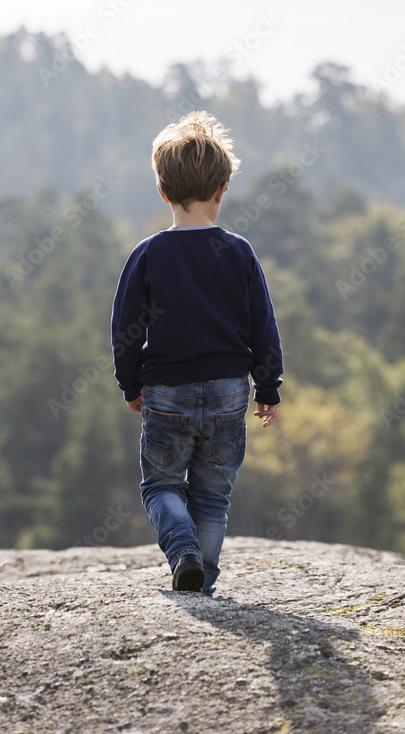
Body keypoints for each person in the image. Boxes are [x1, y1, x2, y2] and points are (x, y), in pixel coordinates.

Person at [110, 111, 283, 596]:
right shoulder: (239, 252)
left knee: (162, 485)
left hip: (166, 391)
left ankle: (181, 552)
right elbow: (263, 327)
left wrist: (130, 384)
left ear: (163, 192)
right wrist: (269, 387)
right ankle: (200, 580)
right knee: (213, 495)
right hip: (229, 390)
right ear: (223, 189)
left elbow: (125, 327)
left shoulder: (148, 254)